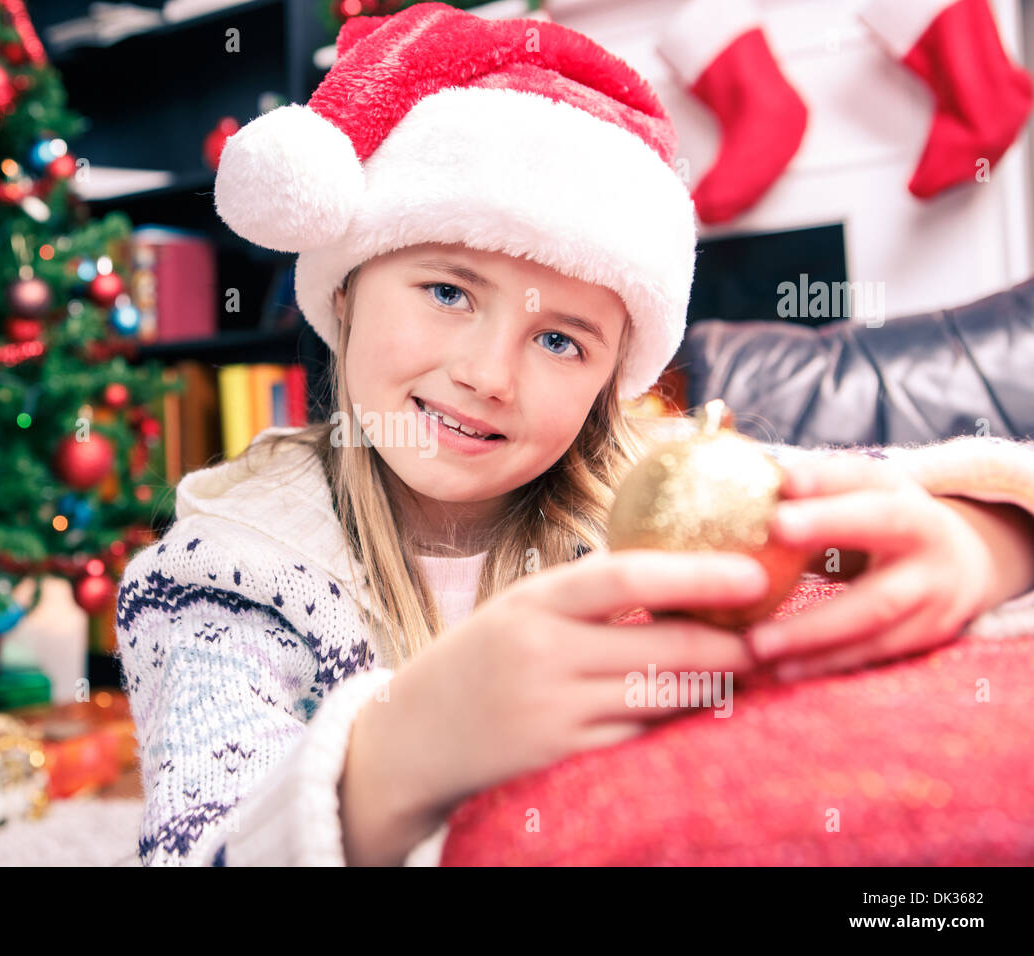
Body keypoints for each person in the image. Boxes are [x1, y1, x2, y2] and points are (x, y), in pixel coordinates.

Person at [114, 2, 1034, 867]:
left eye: (560, 339)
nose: (489, 375)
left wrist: (982, 543)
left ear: (607, 380)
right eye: (448, 291)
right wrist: (400, 753)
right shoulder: (220, 579)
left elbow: (927, 497)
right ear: (345, 287)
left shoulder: (662, 489)